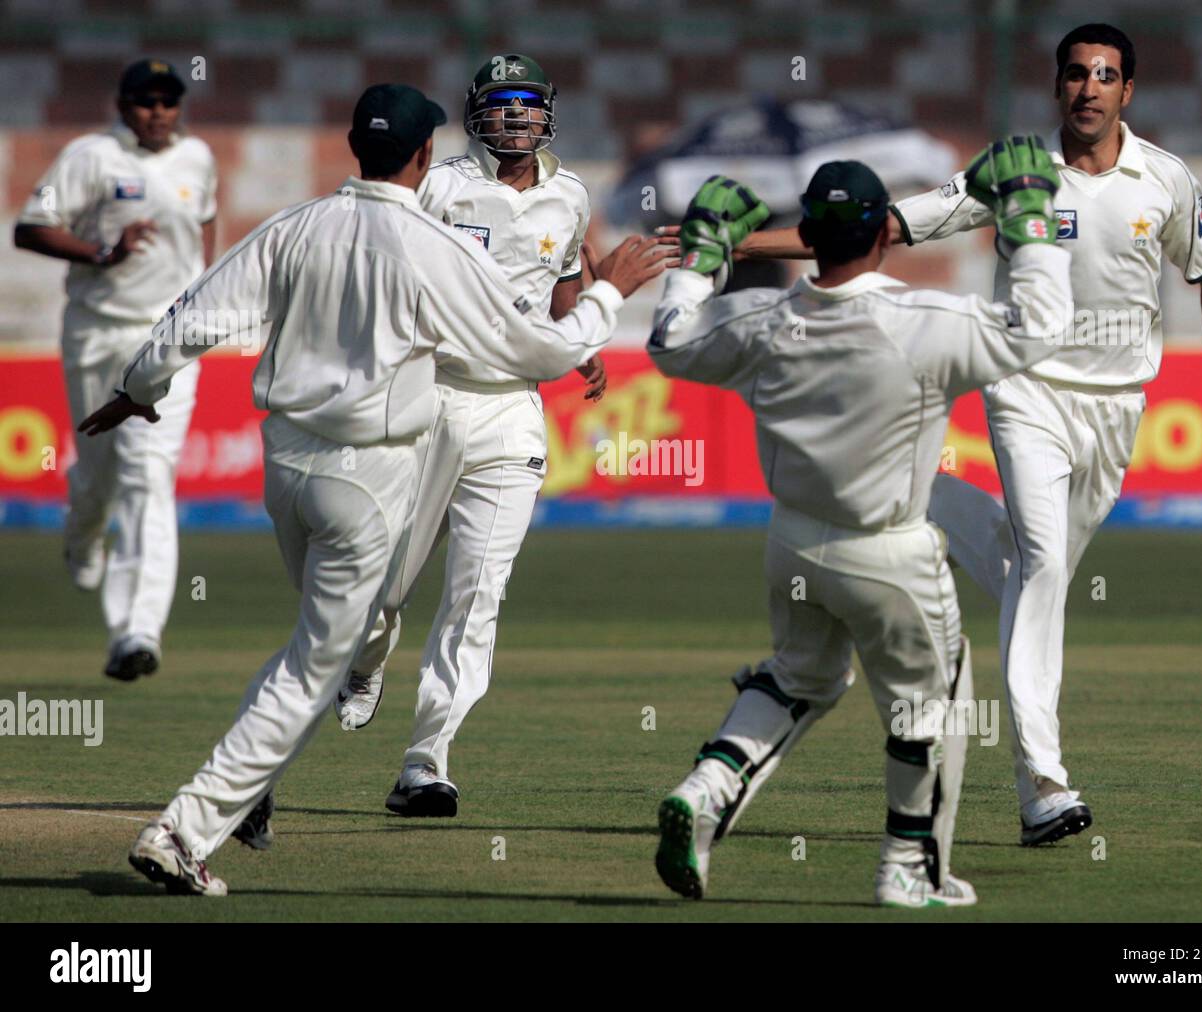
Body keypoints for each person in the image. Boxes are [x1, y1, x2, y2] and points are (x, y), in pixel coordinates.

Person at [77, 83, 669, 895]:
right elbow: (535, 349)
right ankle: (187, 825)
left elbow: (191, 318)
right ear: (427, 158)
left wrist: (139, 387)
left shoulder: (295, 224)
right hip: (374, 468)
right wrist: (609, 298)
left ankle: (394, 759)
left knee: (348, 635)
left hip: (286, 467)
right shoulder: (435, 243)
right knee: (319, 660)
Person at [725, 23, 1202, 846]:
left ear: (1128, 92)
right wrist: (741, 240)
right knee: (1043, 564)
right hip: (1027, 390)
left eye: (1106, 76)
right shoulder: (1013, 173)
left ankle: (917, 497)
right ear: (1057, 88)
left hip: (1119, 406)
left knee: (1025, 567)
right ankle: (1042, 782)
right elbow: (882, 228)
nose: (1089, 88)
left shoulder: (1166, 179)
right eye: (1076, 74)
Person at [647, 139, 1072, 906]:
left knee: (798, 678)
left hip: (793, 544)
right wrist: (1029, 217)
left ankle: (707, 789)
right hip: (890, 555)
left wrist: (701, 257)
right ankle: (910, 869)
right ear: (884, 235)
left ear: (806, 237)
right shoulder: (926, 322)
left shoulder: (761, 319)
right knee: (929, 708)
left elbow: (670, 343)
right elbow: (1039, 328)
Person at [333, 54, 617, 821]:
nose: (516, 117)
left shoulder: (570, 195)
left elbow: (564, 276)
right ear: (475, 114)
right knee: (389, 580)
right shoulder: (441, 184)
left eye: (528, 103)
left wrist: (579, 339)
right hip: (429, 394)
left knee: (478, 595)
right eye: (501, 104)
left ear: (547, 113)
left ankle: (425, 763)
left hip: (512, 408)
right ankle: (363, 661)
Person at [14, 59, 217, 681]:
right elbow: (32, 228)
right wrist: (104, 252)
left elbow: (204, 232)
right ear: (123, 105)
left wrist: (202, 304)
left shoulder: (198, 158)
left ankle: (136, 631)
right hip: (98, 334)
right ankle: (82, 533)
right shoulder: (90, 156)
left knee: (148, 475)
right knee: (101, 471)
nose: (159, 111)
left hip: (168, 341)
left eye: (168, 100)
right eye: (146, 101)